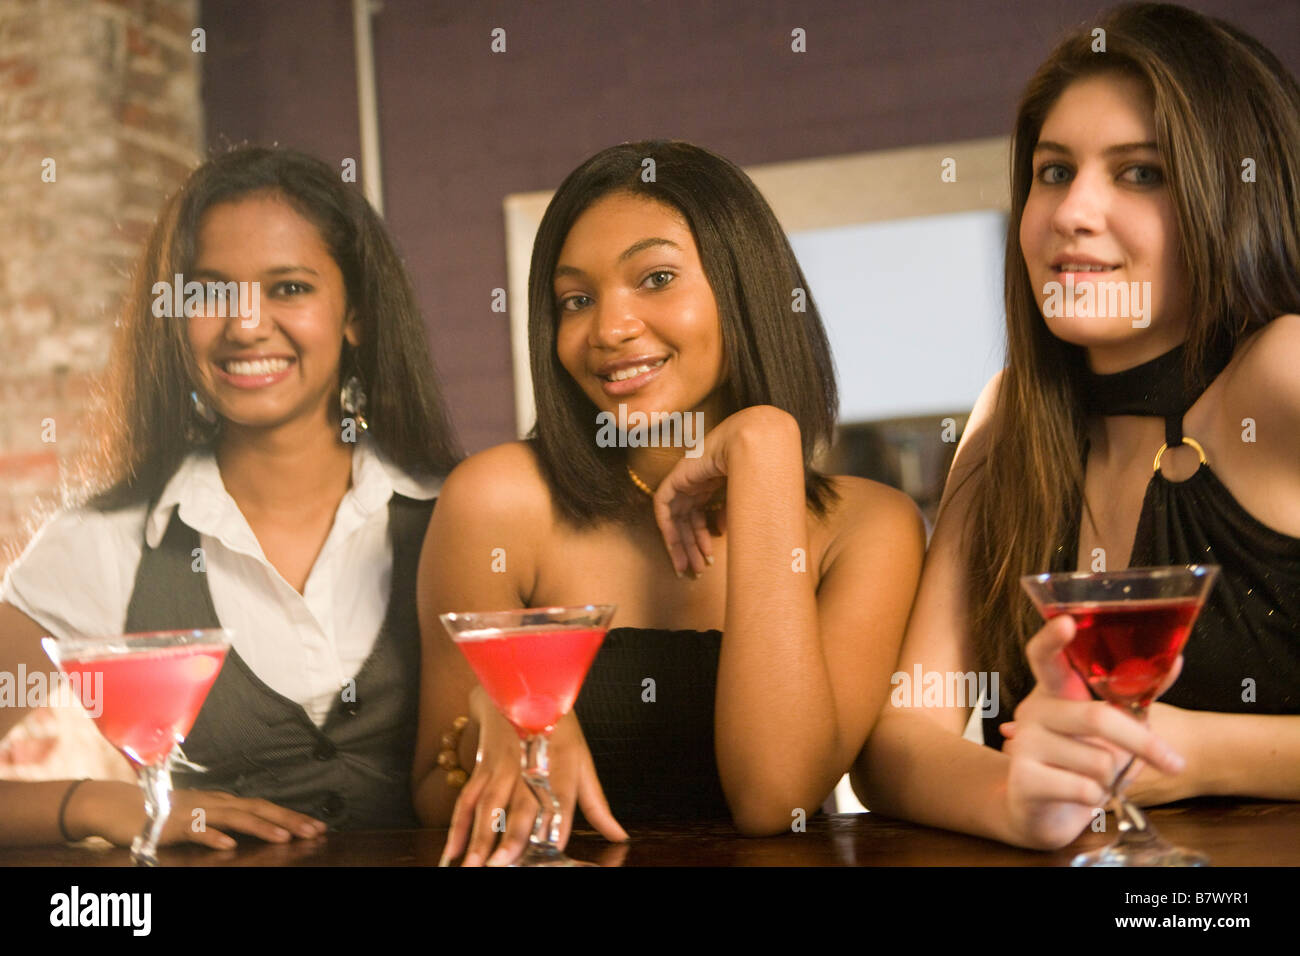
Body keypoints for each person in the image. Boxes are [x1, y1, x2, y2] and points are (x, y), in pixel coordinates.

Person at [852, 1, 1300, 850]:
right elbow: (897, 739)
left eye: (1139, 173)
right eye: (1054, 172)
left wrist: (1202, 754)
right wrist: (1021, 801)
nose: (1070, 212)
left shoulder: (1284, 371)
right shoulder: (1009, 417)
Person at [413, 139, 926, 865]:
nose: (609, 328)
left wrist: (765, 449)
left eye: (655, 278)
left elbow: (773, 799)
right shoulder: (497, 503)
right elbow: (432, 794)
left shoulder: (869, 529)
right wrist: (489, 716)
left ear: (745, 289)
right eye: (576, 300)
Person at [0, 146, 462, 848]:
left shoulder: (457, 512)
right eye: (210, 293)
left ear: (355, 315)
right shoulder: (104, 542)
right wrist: (94, 804)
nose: (245, 325)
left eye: (289, 288)